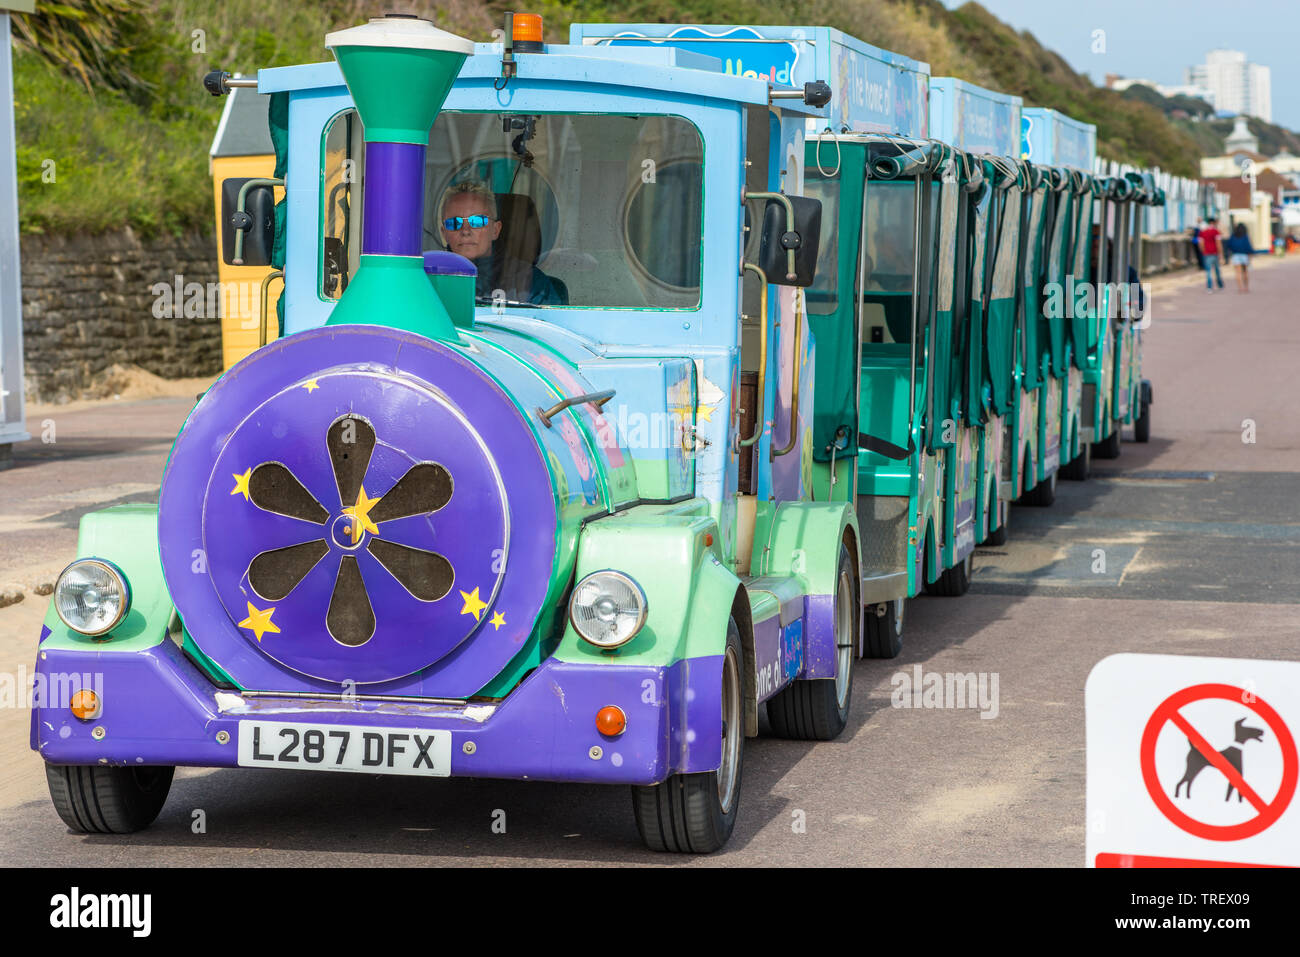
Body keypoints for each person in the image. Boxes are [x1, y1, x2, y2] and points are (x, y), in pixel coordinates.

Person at [438, 181, 567, 306]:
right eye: (454, 223)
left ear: (495, 230)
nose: (465, 231)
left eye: (477, 221)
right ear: (444, 233)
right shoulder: (429, 281)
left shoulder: (530, 283)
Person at [1223, 223, 1261, 294]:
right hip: (1244, 255)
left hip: (1236, 255)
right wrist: (1251, 254)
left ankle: (1240, 288)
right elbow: (1248, 246)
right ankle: (1246, 287)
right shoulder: (1245, 236)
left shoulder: (1233, 236)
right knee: (1245, 272)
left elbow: (1229, 245)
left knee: (1238, 273)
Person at [1197, 216, 1224, 292]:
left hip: (1206, 253)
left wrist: (1203, 251)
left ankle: (1209, 287)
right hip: (1214, 253)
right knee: (1217, 270)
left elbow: (1201, 243)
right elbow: (1218, 243)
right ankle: (1220, 285)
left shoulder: (1202, 232)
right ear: (1214, 223)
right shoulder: (1216, 231)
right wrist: (1220, 253)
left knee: (1208, 271)